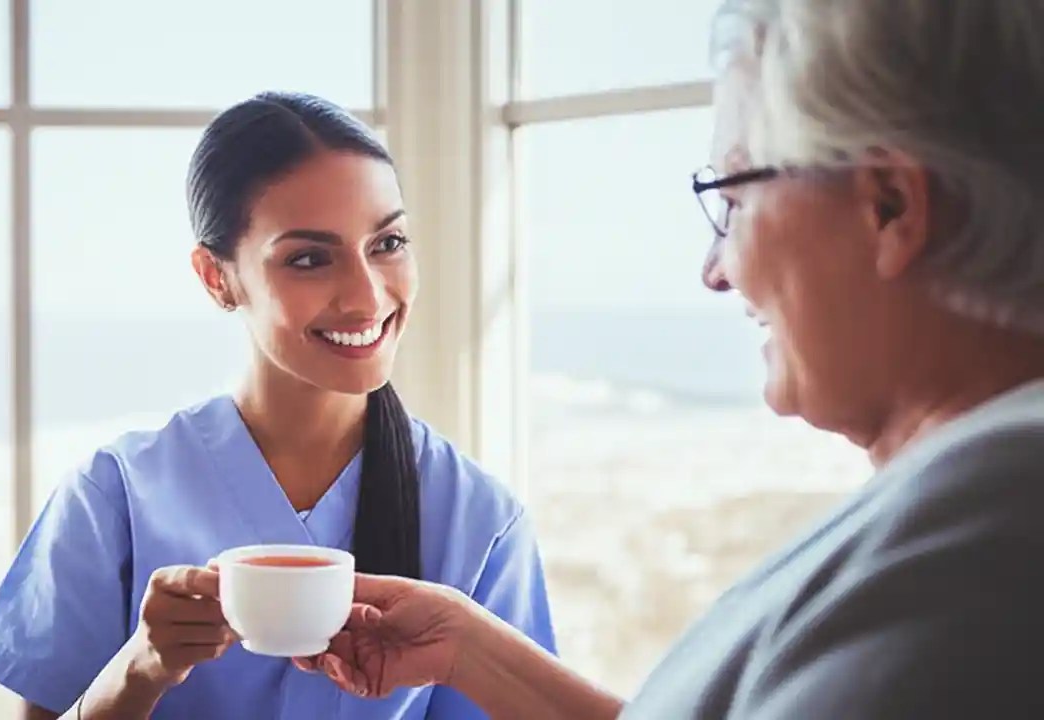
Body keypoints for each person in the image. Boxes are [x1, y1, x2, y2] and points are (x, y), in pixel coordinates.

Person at [288, 1, 1044, 718]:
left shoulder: (979, 548)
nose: (715, 269)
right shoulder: (962, 516)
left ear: (891, 208)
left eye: (734, 201)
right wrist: (467, 650)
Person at [0, 91, 556, 720]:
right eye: (309, 259)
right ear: (217, 277)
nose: (366, 297)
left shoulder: (480, 522)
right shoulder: (114, 497)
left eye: (388, 243)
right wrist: (140, 668)